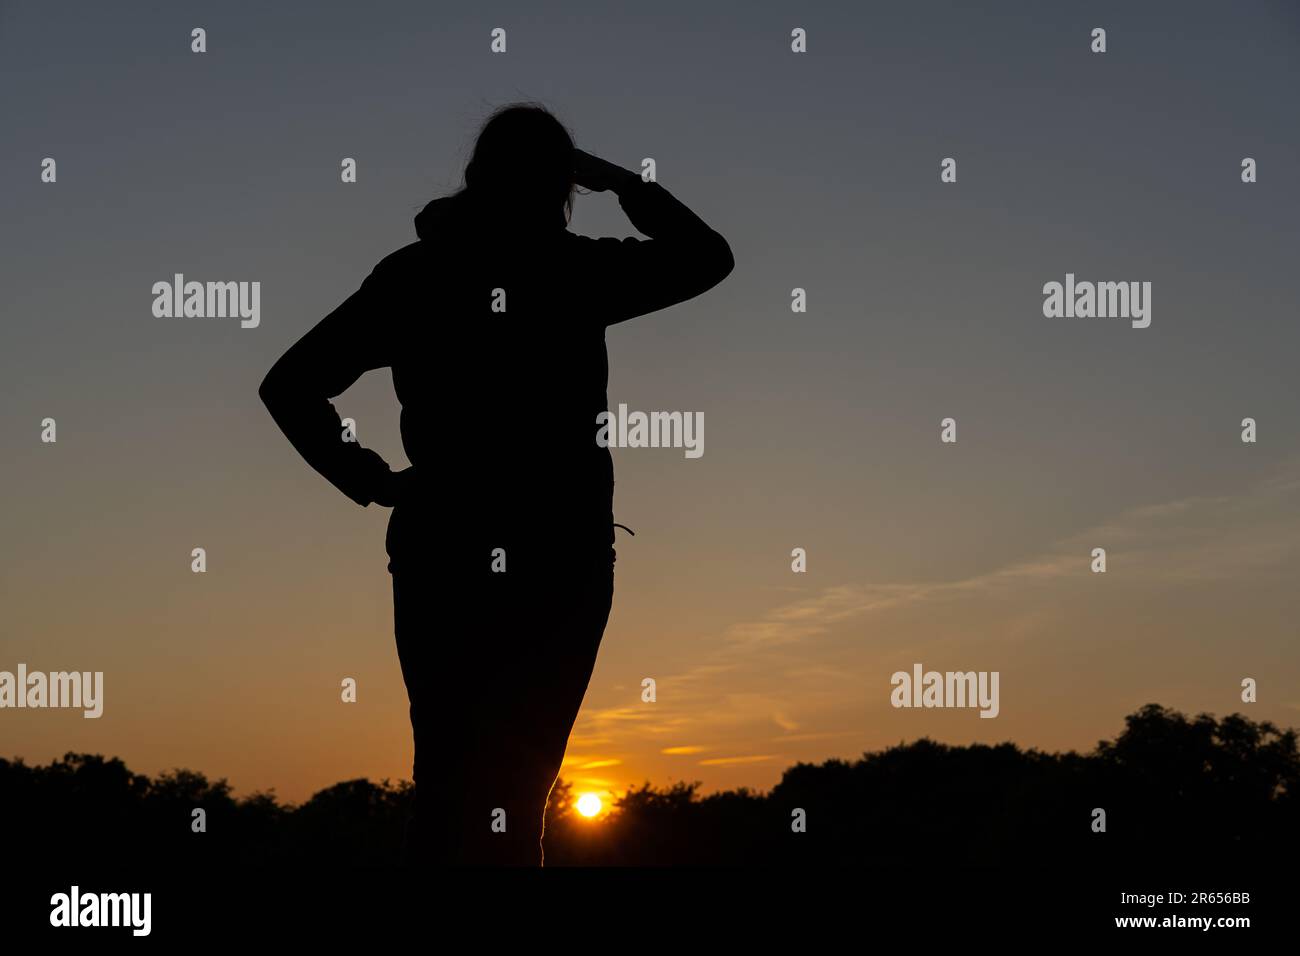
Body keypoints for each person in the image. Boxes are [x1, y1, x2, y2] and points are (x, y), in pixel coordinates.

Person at [259, 103, 733, 865]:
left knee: (449, 784)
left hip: (448, 545)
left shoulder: (418, 277)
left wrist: (372, 479)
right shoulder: (575, 272)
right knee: (515, 788)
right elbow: (707, 256)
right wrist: (620, 182)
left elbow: (291, 385)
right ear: (563, 185)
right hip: (558, 553)